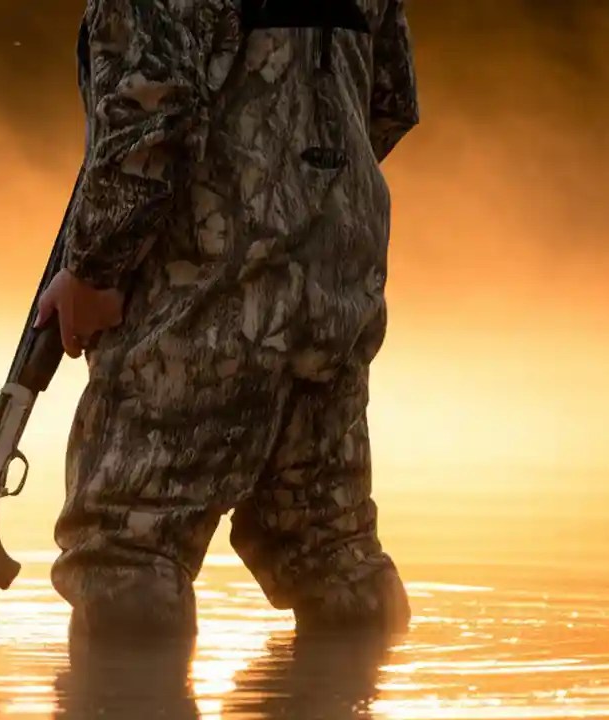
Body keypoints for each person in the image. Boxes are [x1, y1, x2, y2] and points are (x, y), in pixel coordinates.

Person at [33, 0, 419, 638]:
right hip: (335, 287)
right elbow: (391, 103)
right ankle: (355, 694)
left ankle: (123, 704)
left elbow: (149, 116)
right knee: (333, 552)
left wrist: (97, 271)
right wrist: (300, 210)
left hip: (202, 297)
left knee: (127, 552)